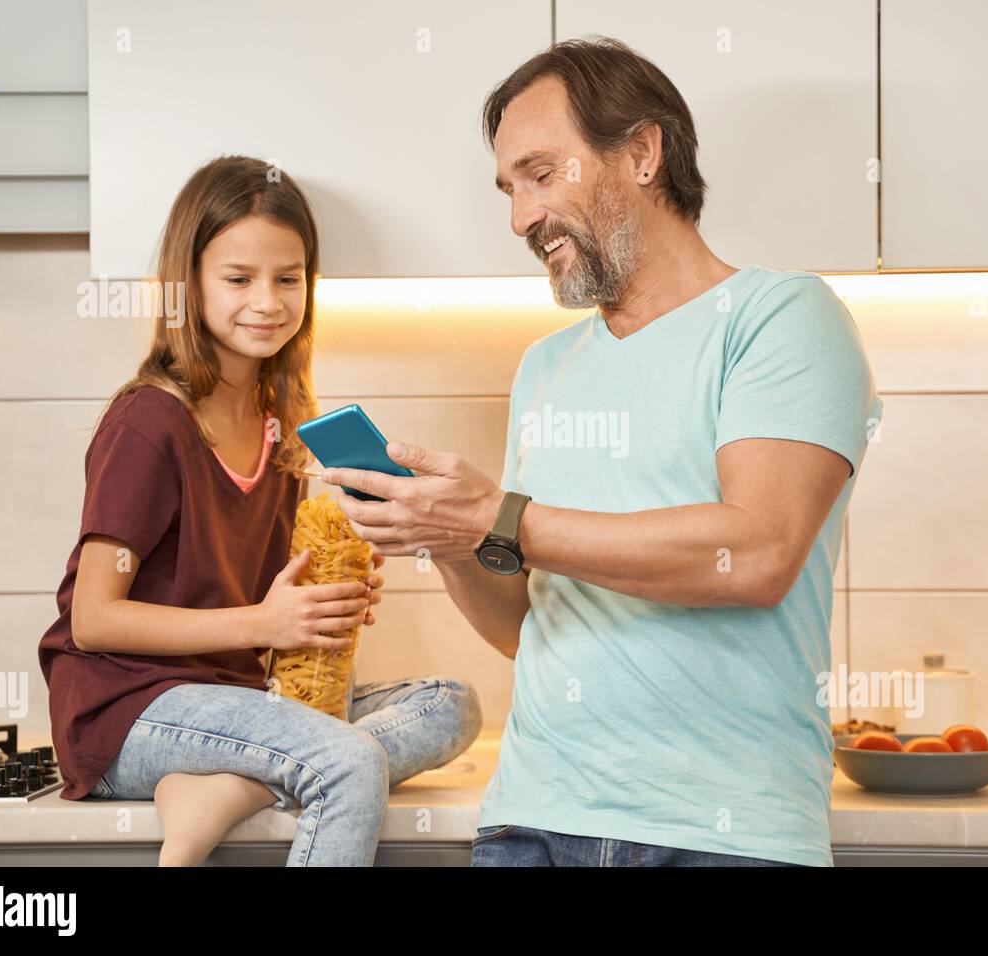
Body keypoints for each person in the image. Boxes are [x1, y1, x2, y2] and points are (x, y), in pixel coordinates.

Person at [322, 37, 882, 867]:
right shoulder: (547, 367)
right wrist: (451, 539)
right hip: (531, 821)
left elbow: (757, 550)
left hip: (721, 833)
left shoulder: (782, 317)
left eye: (543, 175)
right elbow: (528, 625)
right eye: (509, 190)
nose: (520, 218)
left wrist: (497, 515)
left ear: (644, 153)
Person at [38, 155, 482, 866]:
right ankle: (261, 772)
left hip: (240, 701)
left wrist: (316, 607)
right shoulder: (150, 423)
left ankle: (238, 786)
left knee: (450, 706)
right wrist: (263, 622)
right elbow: (93, 618)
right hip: (130, 712)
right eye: (239, 279)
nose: (268, 301)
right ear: (190, 286)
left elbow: (253, 600)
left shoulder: (279, 425)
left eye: (289, 278)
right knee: (346, 762)